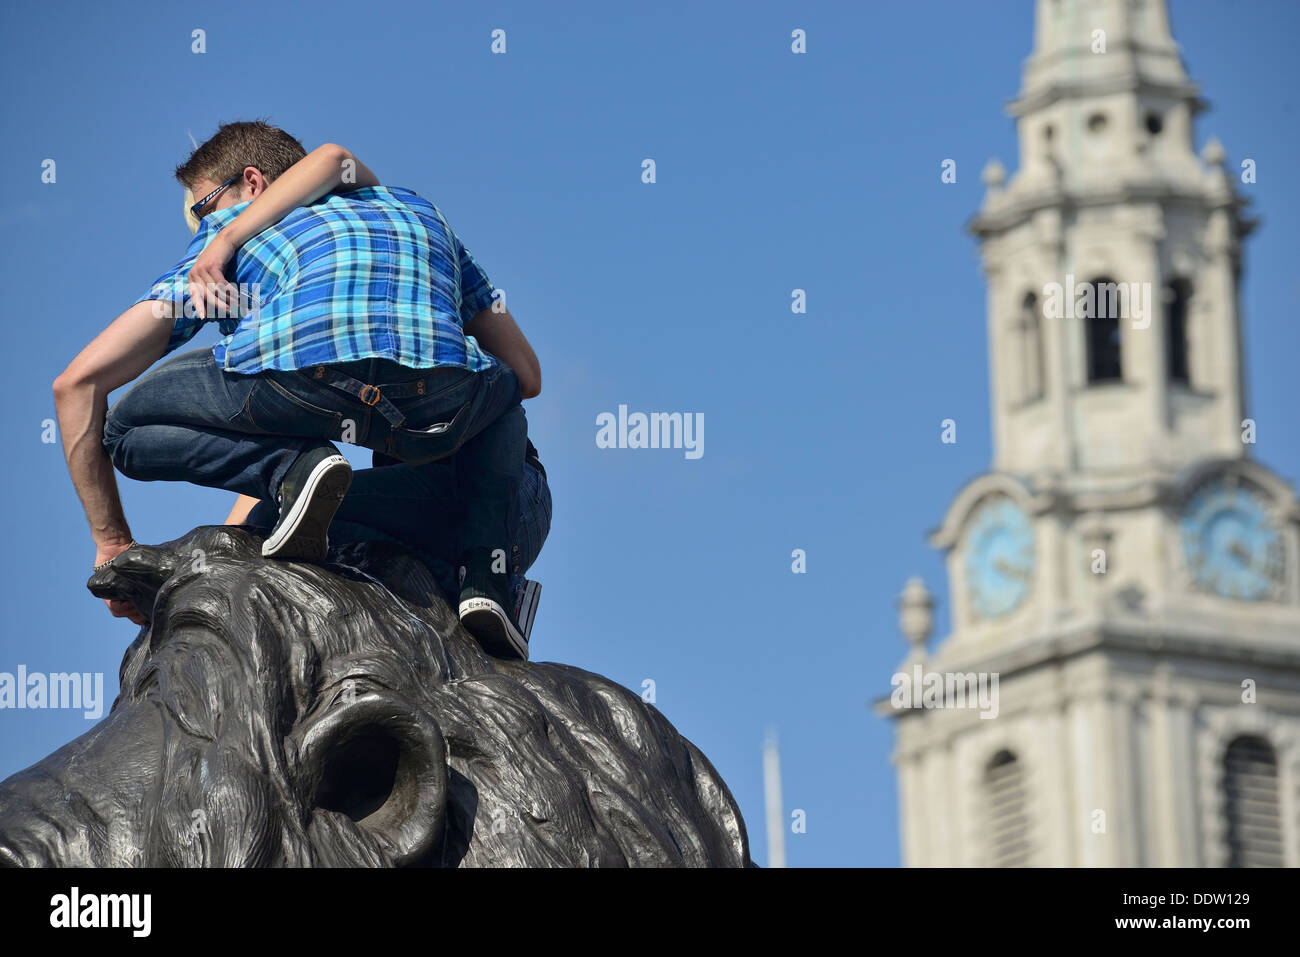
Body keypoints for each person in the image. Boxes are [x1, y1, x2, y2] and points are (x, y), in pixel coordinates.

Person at [53, 121, 539, 658]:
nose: (200, 225)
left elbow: (77, 383)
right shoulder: (417, 210)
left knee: (123, 426)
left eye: (202, 207)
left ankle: (295, 469)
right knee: (501, 388)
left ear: (253, 183)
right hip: (446, 417)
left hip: (305, 383)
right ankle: (487, 584)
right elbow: (529, 375)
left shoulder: (230, 236)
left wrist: (112, 545)